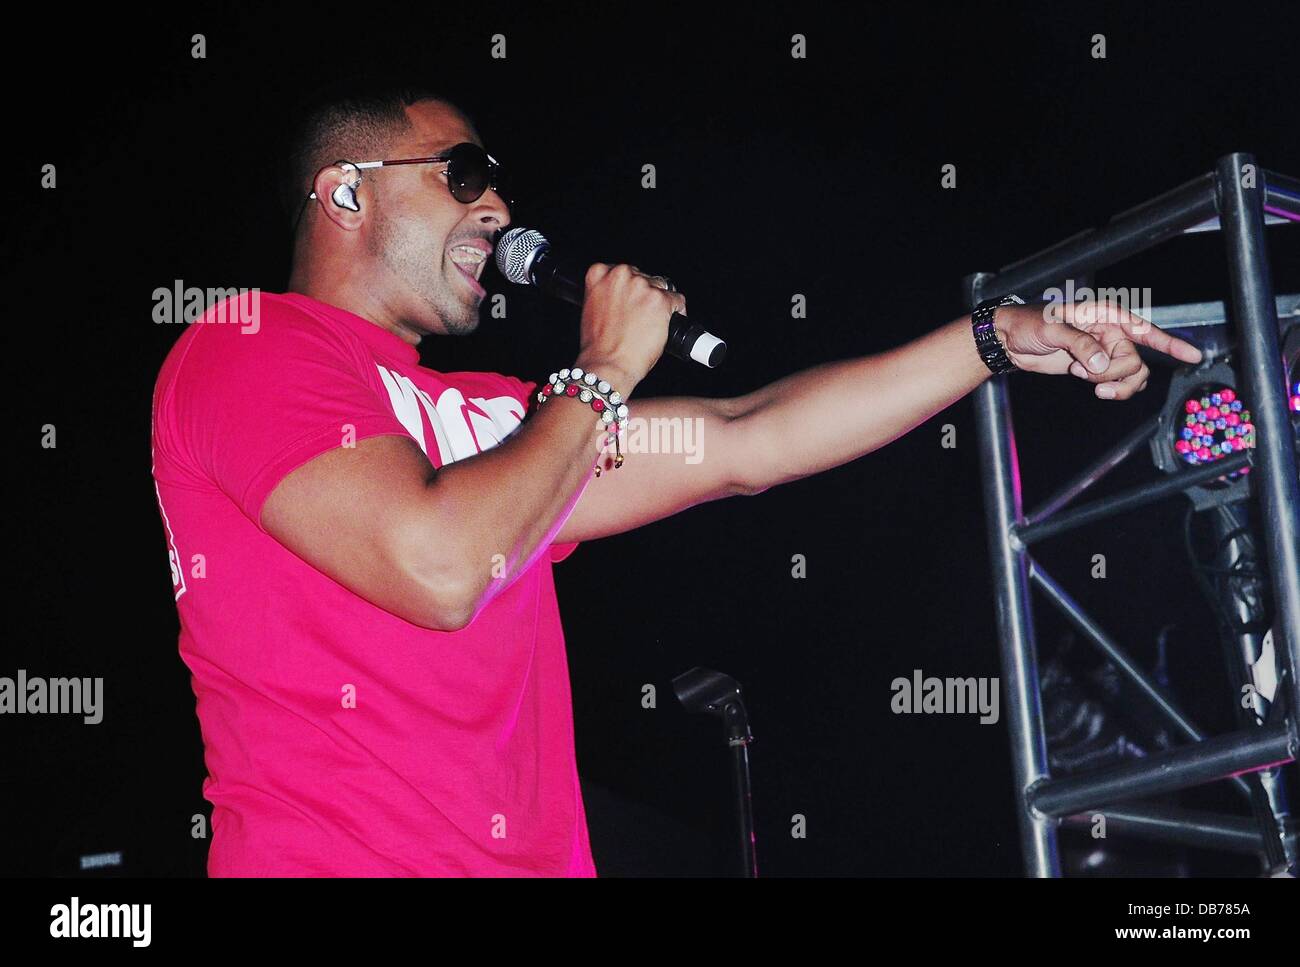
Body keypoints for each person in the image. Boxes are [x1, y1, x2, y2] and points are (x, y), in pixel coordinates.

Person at [149, 83, 1204, 877]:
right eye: (463, 173)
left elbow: (748, 437)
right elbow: (438, 566)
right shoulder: (248, 347)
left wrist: (996, 340)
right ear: (343, 193)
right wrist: (602, 369)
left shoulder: (497, 418)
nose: (501, 208)